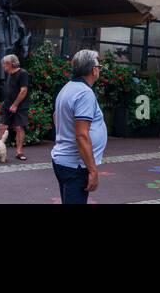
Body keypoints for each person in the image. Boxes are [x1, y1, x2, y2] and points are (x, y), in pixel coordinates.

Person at [51, 50, 105, 204]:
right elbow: (82, 135)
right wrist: (93, 170)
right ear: (94, 70)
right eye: (99, 67)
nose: (99, 70)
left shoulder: (68, 88)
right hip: (75, 165)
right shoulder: (84, 93)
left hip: (64, 160)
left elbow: (56, 117)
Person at [0, 53, 30, 161]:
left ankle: (19, 152)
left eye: (4, 64)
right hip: (7, 104)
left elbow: (23, 90)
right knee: (2, 126)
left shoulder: (23, 73)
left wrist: (15, 104)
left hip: (20, 106)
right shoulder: (9, 74)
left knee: (19, 128)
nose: (3, 66)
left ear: (10, 64)